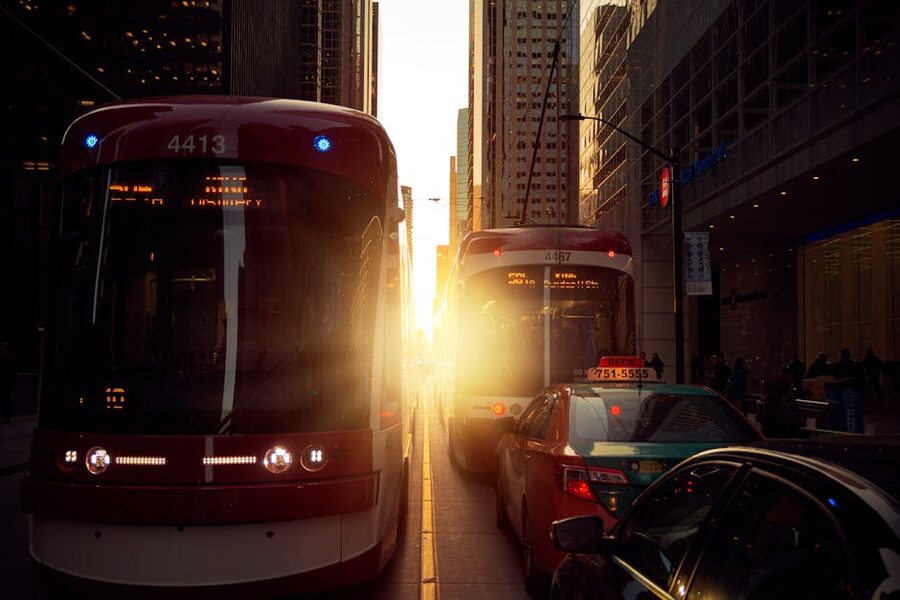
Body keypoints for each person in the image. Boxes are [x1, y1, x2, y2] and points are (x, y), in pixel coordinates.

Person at [0, 341, 14, 424]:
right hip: (5, 381)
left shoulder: (8, 357)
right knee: (6, 400)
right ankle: (6, 417)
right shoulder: (9, 357)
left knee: (6, 400)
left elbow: (12, 369)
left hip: (5, 381)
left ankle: (6, 417)